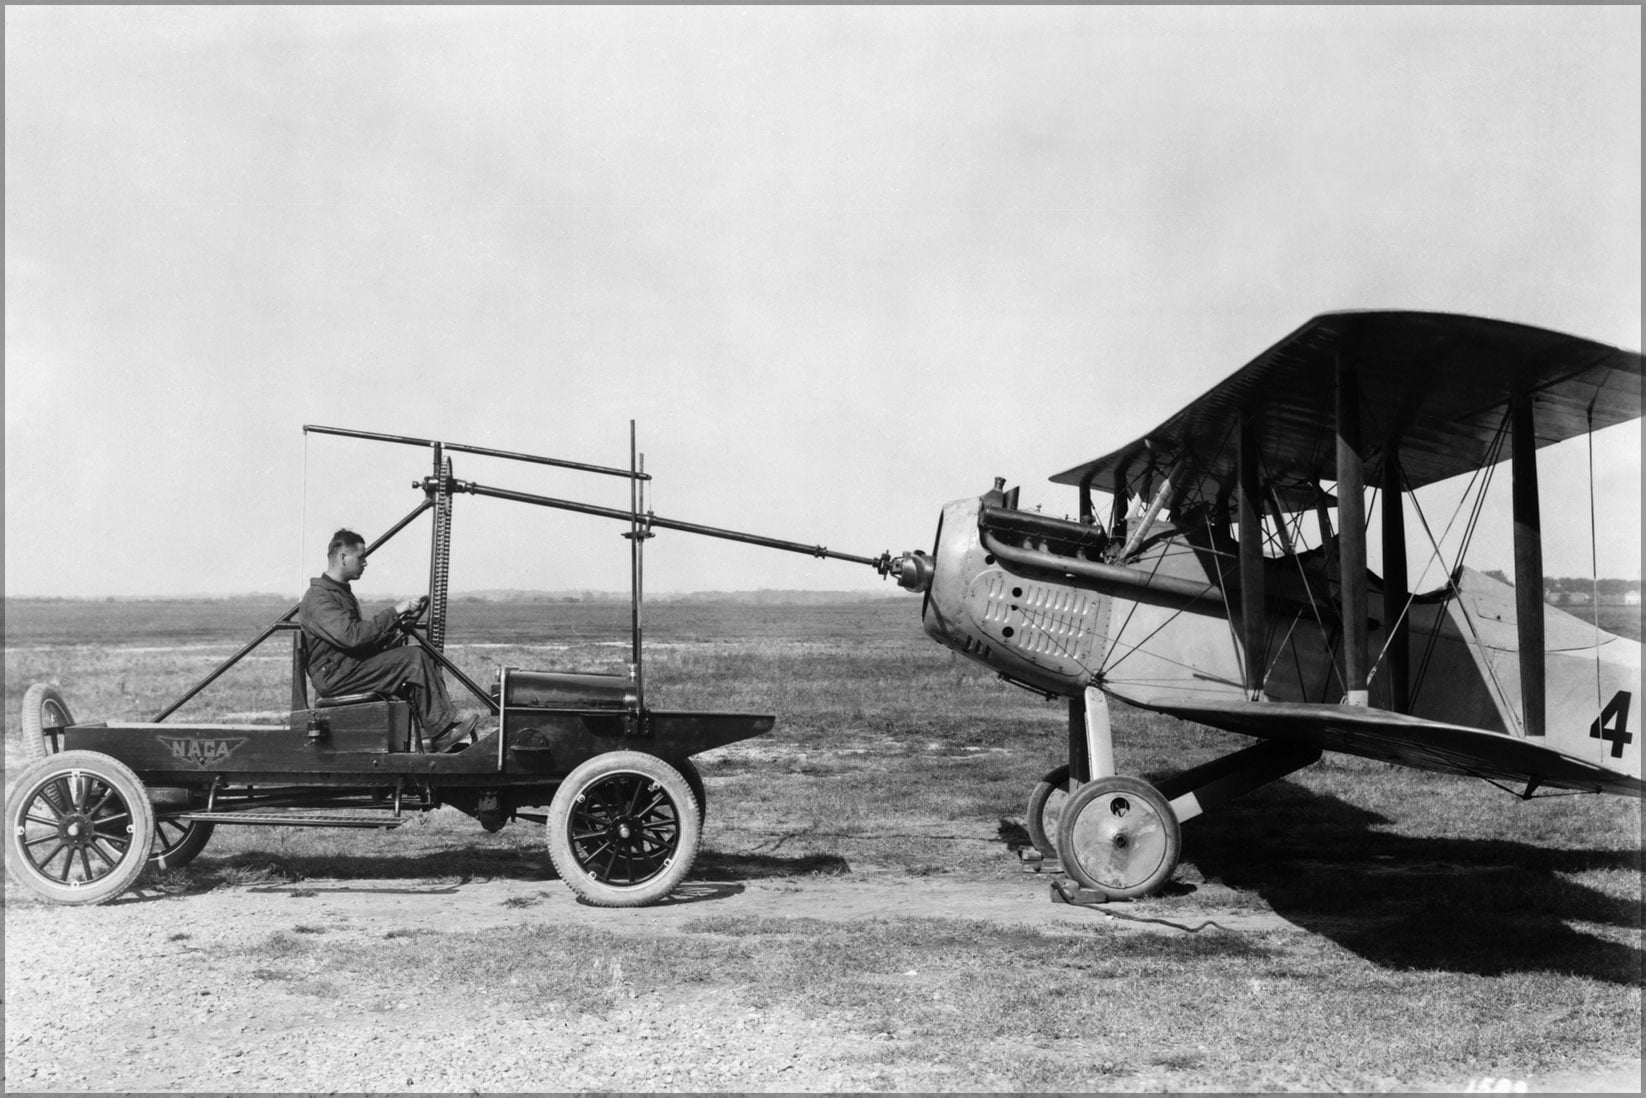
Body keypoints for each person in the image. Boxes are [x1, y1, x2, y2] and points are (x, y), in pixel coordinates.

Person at [298, 529, 479, 752]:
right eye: (361, 557)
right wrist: (395, 612)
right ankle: (441, 733)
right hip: (337, 677)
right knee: (413, 659)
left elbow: (356, 641)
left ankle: (434, 732)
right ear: (342, 557)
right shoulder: (319, 597)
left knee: (415, 657)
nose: (365, 563)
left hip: (346, 669)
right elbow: (353, 636)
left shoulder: (338, 593)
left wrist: (394, 627)